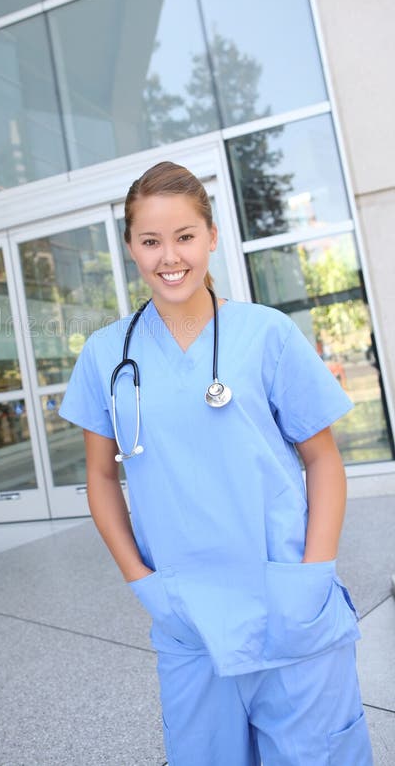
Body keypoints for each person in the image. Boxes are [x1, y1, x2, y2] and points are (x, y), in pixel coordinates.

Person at [59, 161, 373, 765]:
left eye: (184, 236)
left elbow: (323, 459)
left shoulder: (267, 334)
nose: (169, 257)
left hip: (288, 602)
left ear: (211, 237)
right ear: (130, 247)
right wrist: (143, 583)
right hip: (188, 619)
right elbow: (101, 478)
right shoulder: (106, 355)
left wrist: (312, 575)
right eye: (150, 241)